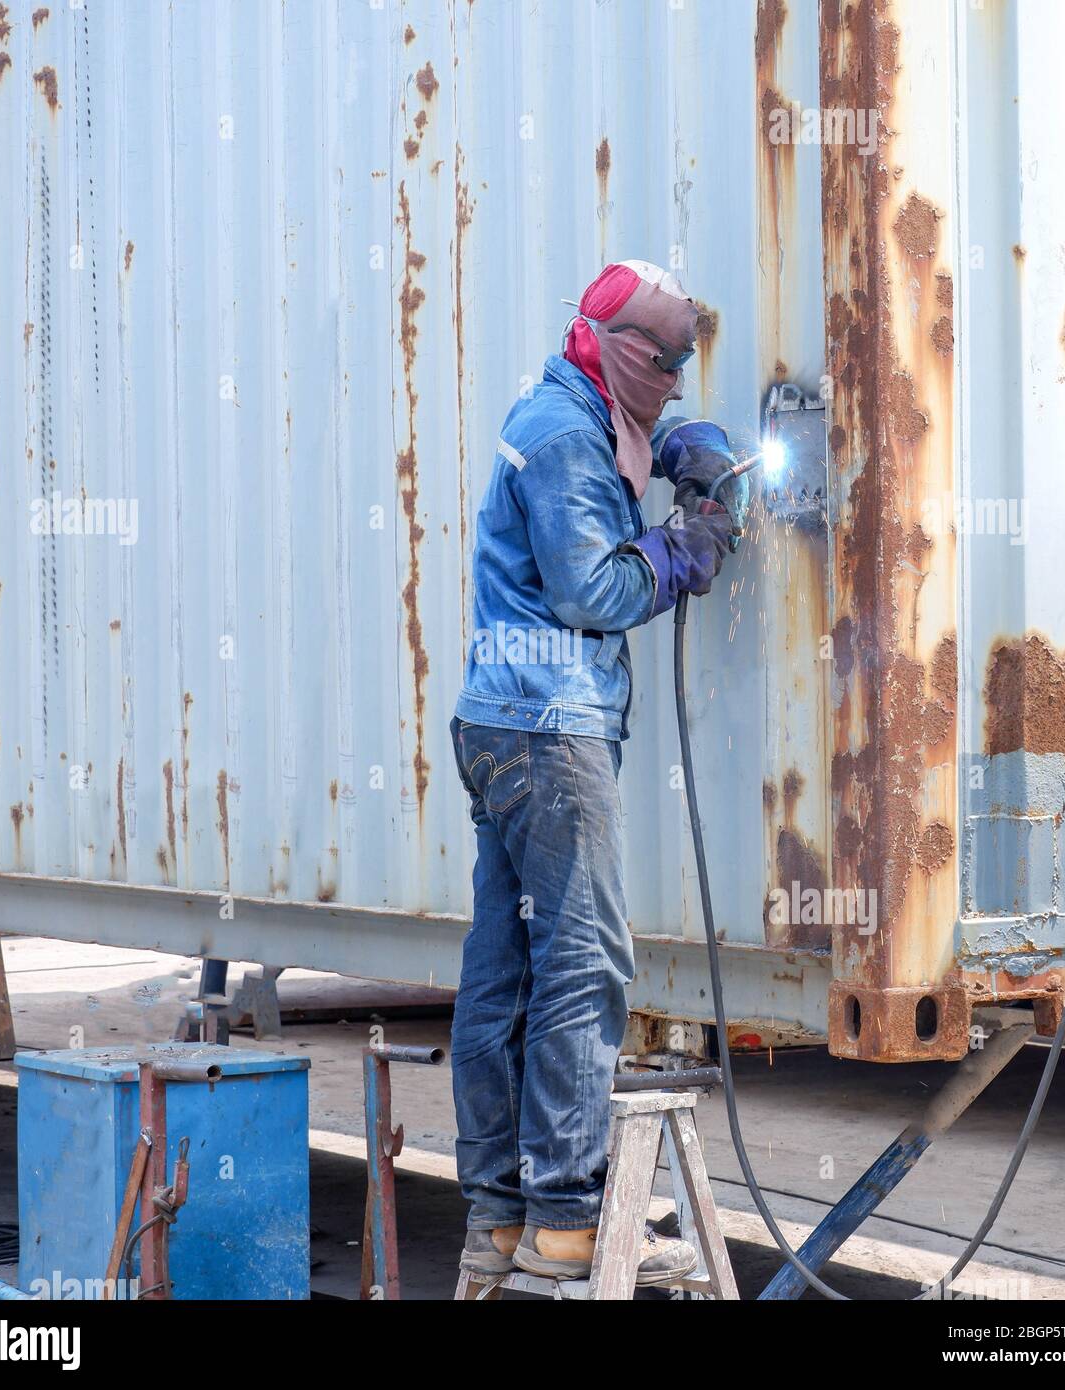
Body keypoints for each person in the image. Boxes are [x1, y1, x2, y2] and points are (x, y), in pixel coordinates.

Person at [450, 260, 748, 1284]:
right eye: (666, 372)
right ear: (624, 353)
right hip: (549, 732)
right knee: (584, 963)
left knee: (505, 968)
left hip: (495, 720)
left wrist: (674, 449)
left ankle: (496, 1210)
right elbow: (592, 587)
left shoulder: (560, 402)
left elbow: (603, 461)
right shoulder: (573, 437)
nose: (674, 386)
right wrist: (687, 543)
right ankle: (570, 1210)